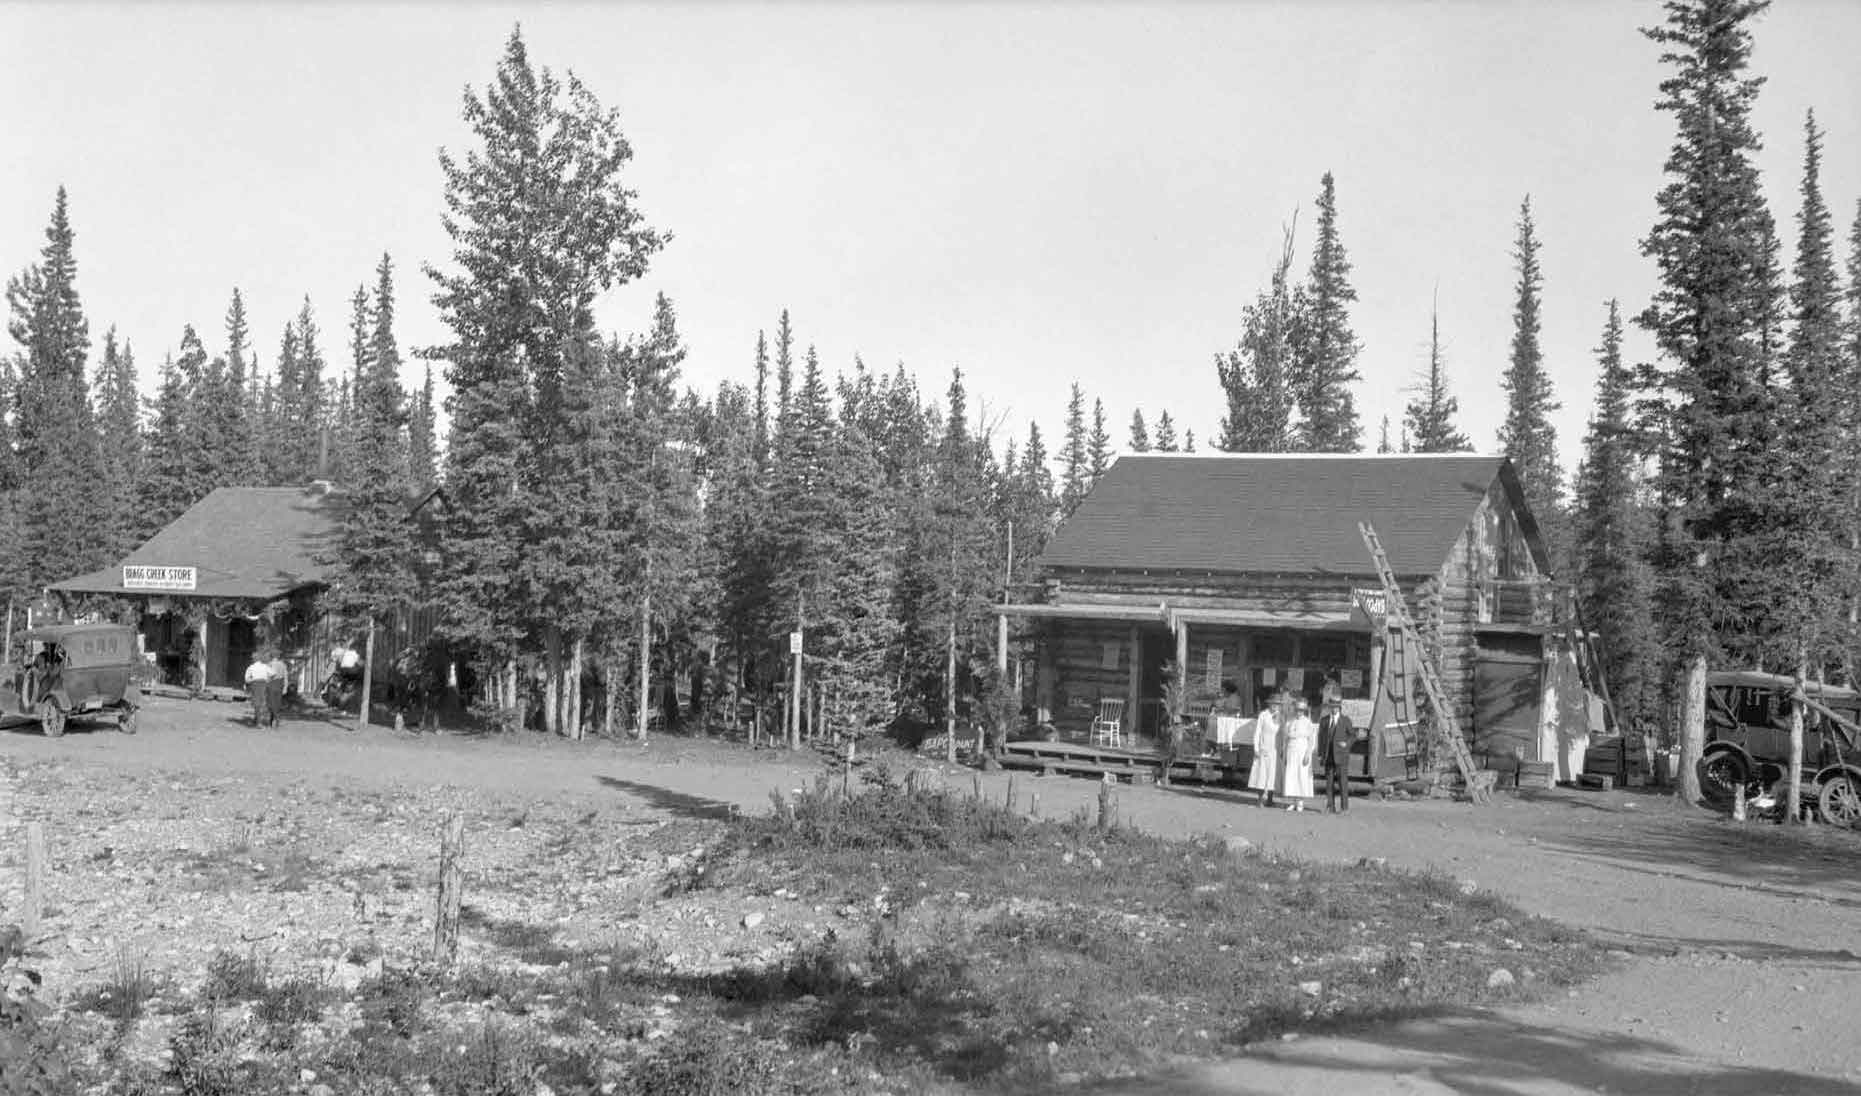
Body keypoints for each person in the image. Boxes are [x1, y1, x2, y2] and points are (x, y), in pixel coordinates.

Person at [1317, 688, 1358, 814]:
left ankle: (1344, 808)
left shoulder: (1345, 720)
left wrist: (1346, 744)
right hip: (1328, 755)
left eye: (1336, 707)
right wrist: (1320, 754)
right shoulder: (1324, 720)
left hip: (1341, 756)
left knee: (1342, 782)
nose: (1334, 709)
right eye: (1332, 707)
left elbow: (1353, 735)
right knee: (1328, 783)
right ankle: (1330, 806)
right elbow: (1321, 738)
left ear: (1340, 707)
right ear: (1329, 707)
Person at [1279, 696, 1317, 812]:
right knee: (1291, 774)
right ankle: (1292, 801)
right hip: (1291, 750)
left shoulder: (1307, 722)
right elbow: (1285, 738)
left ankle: (1300, 801)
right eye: (1297, 710)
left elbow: (1311, 740)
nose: (1299, 712)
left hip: (1302, 749)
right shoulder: (1289, 721)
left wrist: (1307, 754)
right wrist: (1284, 751)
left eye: (1301, 710)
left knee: (1301, 775)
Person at [1249, 689, 1282, 808]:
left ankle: (1270, 799)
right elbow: (1257, 732)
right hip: (1264, 746)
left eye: (1277, 704)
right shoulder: (1263, 715)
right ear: (1269, 704)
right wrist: (1256, 748)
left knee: (1273, 774)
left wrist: (1282, 749)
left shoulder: (1281, 717)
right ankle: (1259, 799)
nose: (1275, 706)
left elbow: (1283, 734)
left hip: (1275, 748)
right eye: (1273, 704)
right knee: (1262, 774)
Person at [244, 650, 274, 728]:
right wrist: (268, 680)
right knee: (262, 703)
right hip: (264, 684)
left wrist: (251, 681)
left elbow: (247, 679)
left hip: (255, 685)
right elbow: (273, 674)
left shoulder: (251, 667)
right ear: (260, 659)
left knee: (257, 703)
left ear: (253, 659)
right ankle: (258, 720)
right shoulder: (265, 666)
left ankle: (258, 723)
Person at [265, 649, 289, 728]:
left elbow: (268, 676)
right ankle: (272, 721)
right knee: (277, 703)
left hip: (272, 684)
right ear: (278, 656)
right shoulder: (283, 664)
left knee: (271, 703)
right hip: (280, 684)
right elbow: (286, 676)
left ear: (272, 656)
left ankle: (276, 719)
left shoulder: (269, 664)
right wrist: (285, 687)